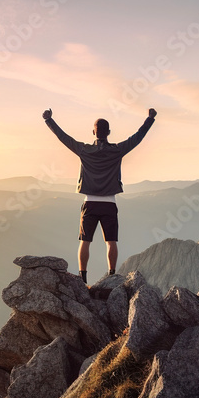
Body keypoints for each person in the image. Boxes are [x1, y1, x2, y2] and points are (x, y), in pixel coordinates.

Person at [43, 107, 157, 284]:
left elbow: (64, 138)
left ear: (93, 132)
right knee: (111, 242)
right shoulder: (117, 150)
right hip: (109, 203)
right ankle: (111, 276)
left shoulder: (84, 150)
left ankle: (82, 277)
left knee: (85, 241)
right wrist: (150, 118)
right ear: (109, 132)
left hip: (89, 203)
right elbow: (137, 137)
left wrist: (49, 120)